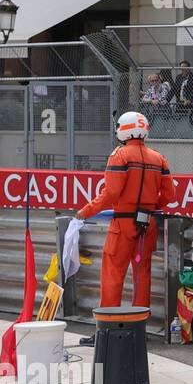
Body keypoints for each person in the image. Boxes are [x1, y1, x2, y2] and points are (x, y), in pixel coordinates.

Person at [73, 112, 176, 308]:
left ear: (124, 130)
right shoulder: (159, 158)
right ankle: (139, 323)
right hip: (147, 225)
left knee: (114, 271)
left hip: (122, 226)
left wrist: (85, 211)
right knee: (141, 272)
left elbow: (111, 193)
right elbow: (170, 196)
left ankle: (110, 325)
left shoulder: (119, 156)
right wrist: (152, 206)